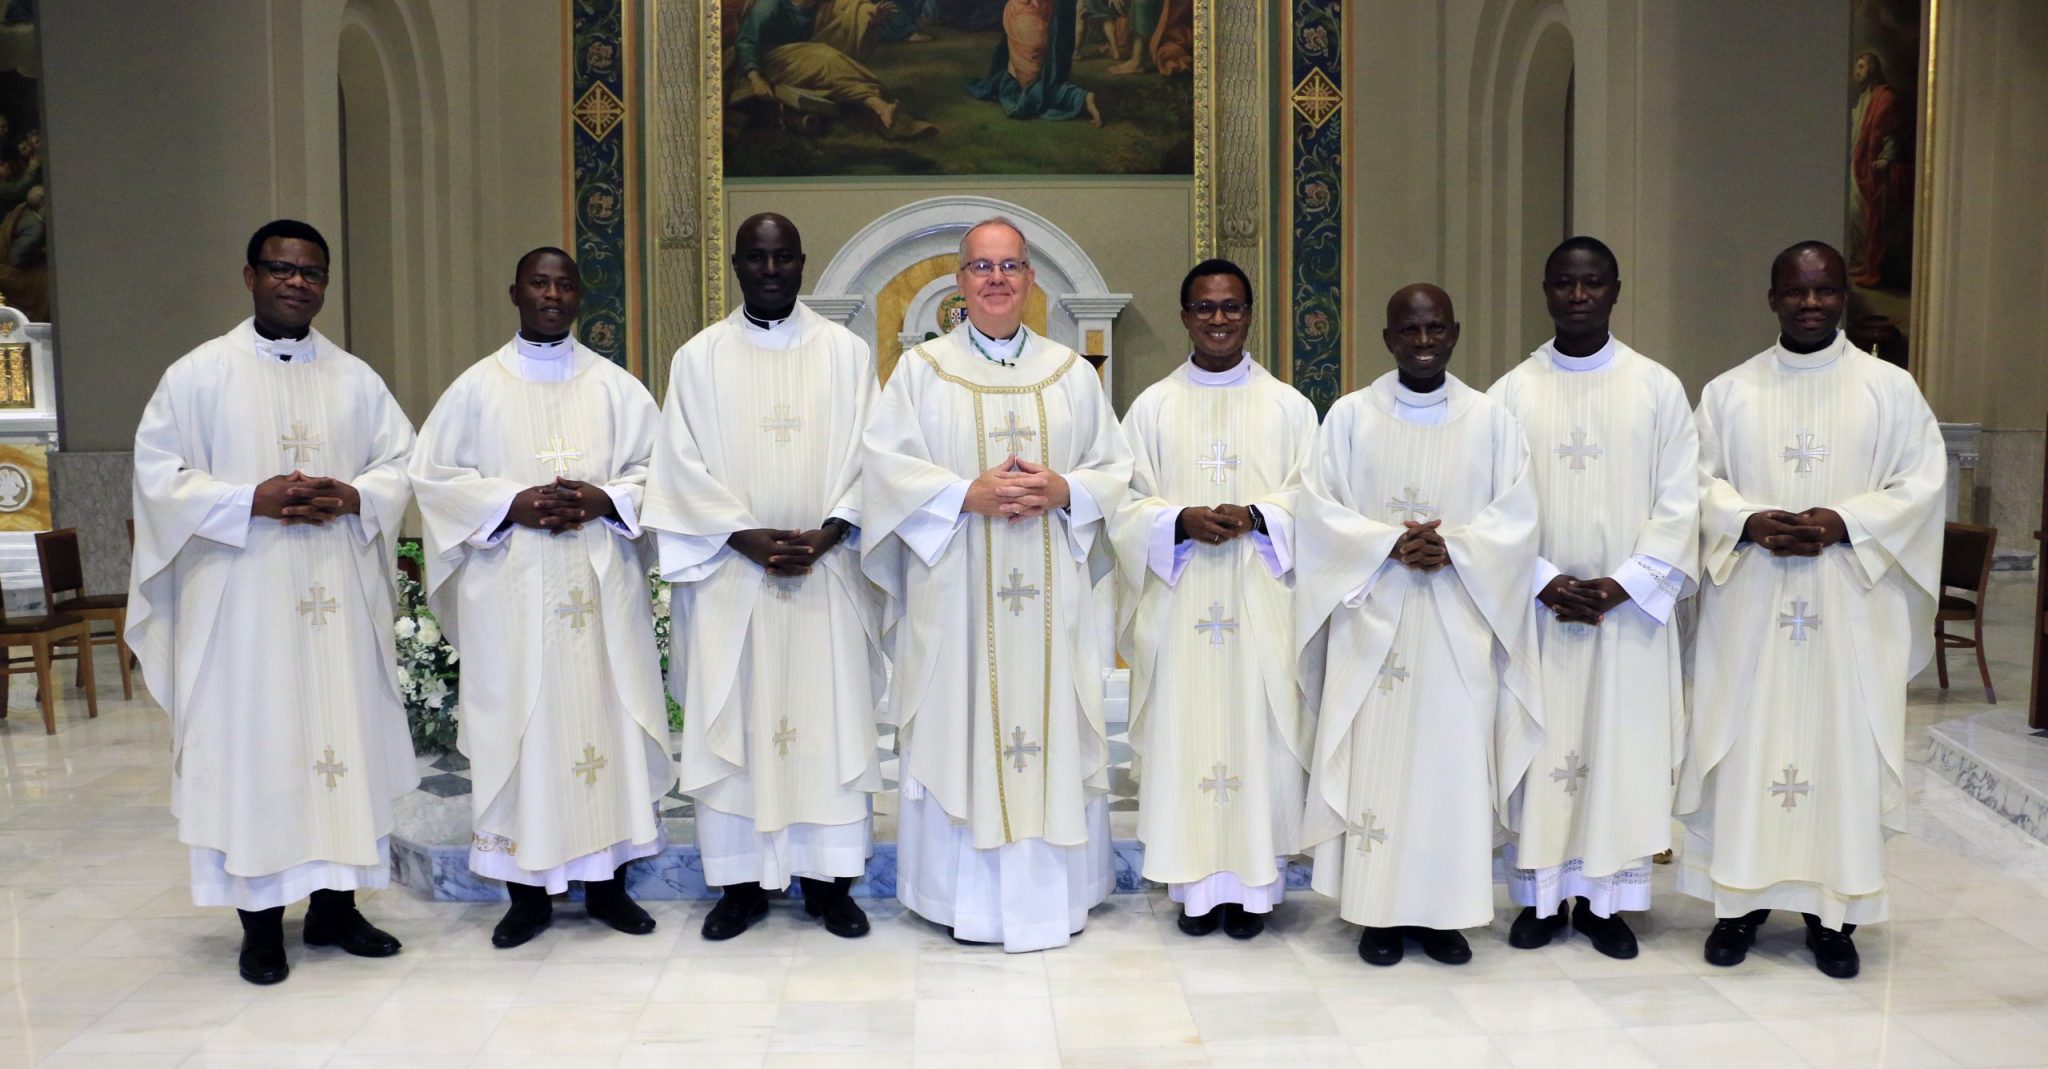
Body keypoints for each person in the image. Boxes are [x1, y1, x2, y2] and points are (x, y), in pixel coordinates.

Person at [128, 220, 416, 985]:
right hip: (244, 606)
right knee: (258, 752)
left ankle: (335, 909)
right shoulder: (196, 376)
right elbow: (159, 477)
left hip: (336, 603)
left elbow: (402, 462)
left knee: (338, 745)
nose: (297, 283)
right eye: (282, 269)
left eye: (312, 272)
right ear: (249, 275)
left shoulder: (356, 380)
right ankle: (259, 926)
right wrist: (243, 499)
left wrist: (355, 493)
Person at [861, 216, 1133, 952]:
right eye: (982, 267)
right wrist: (961, 496)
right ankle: (960, 902)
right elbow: (884, 469)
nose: (997, 280)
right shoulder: (921, 373)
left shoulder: (1071, 373)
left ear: (1031, 279)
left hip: (1052, 602)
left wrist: (1065, 489)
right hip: (959, 596)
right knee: (962, 725)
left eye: (1011, 266)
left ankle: (1053, 902)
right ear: (959, 282)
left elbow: (1117, 471)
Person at [1678, 241, 1944, 979]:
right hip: (1752, 603)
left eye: (1825, 291)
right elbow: (1695, 486)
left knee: (1840, 751)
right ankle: (1738, 906)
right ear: (1771, 299)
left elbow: (1920, 485)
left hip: (1848, 607)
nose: (1811, 303)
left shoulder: (1889, 391)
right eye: (1796, 292)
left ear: (1843, 299)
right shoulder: (1729, 392)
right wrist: (1749, 519)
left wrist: (1846, 521)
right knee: (1747, 742)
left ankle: (1836, 917)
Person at [408, 248, 673, 948]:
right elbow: (433, 480)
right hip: (512, 600)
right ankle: (526, 894)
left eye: (564, 283)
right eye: (538, 282)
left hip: (599, 596)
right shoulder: (474, 390)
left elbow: (663, 475)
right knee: (519, 733)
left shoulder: (617, 389)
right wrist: (510, 503)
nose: (552, 293)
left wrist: (604, 497)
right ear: (515, 291)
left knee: (606, 725)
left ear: (580, 296)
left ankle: (608, 885)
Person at [644, 214, 885, 941]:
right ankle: (741, 882)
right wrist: (745, 537)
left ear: (803, 263)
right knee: (739, 726)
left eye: (783, 257)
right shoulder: (699, 359)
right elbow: (677, 466)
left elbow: (877, 458)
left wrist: (832, 530)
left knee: (828, 720)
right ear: (738, 266)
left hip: (828, 572)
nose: (771, 268)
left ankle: (830, 878)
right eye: (757, 257)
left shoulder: (846, 354)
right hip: (731, 575)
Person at [1295, 283, 1543, 967]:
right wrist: (1386, 544)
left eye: (1436, 328)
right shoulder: (1349, 418)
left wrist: (1454, 547)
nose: (1425, 341)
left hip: (1459, 622)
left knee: (1448, 770)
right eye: (1410, 330)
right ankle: (1377, 911)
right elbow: (1316, 513)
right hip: (1372, 621)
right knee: (1378, 767)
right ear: (1388, 338)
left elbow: (1518, 521)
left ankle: (1445, 915)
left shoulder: (1491, 421)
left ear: (1455, 332)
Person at [1487, 237, 1699, 959]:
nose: (1578, 296)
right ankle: (1542, 897)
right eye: (1565, 284)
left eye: (1593, 283)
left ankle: (1607, 900)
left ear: (1615, 289)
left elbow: (1680, 501)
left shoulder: (1656, 388)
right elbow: (1493, 504)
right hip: (1539, 609)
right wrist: (1542, 575)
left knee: (1618, 750)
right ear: (1545, 290)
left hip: (1627, 613)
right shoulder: (1511, 392)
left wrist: (1624, 583)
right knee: (1544, 748)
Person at [1111, 259, 1316, 940]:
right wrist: (1178, 521)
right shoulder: (1151, 409)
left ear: (1250, 313)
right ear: (1184, 316)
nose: (1219, 319)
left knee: (1257, 746)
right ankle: (1197, 893)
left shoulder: (1290, 407)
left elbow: (1314, 501)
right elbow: (1123, 506)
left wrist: (1260, 517)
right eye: (1205, 307)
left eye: (1231, 307)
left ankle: (1254, 893)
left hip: (1262, 606)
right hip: (1181, 609)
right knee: (1185, 739)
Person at [968, 0, 1105, 126]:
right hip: (1036, 18)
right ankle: (1079, 97)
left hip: (1029, 19)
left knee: (1029, 84)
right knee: (1033, 80)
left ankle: (1077, 97)